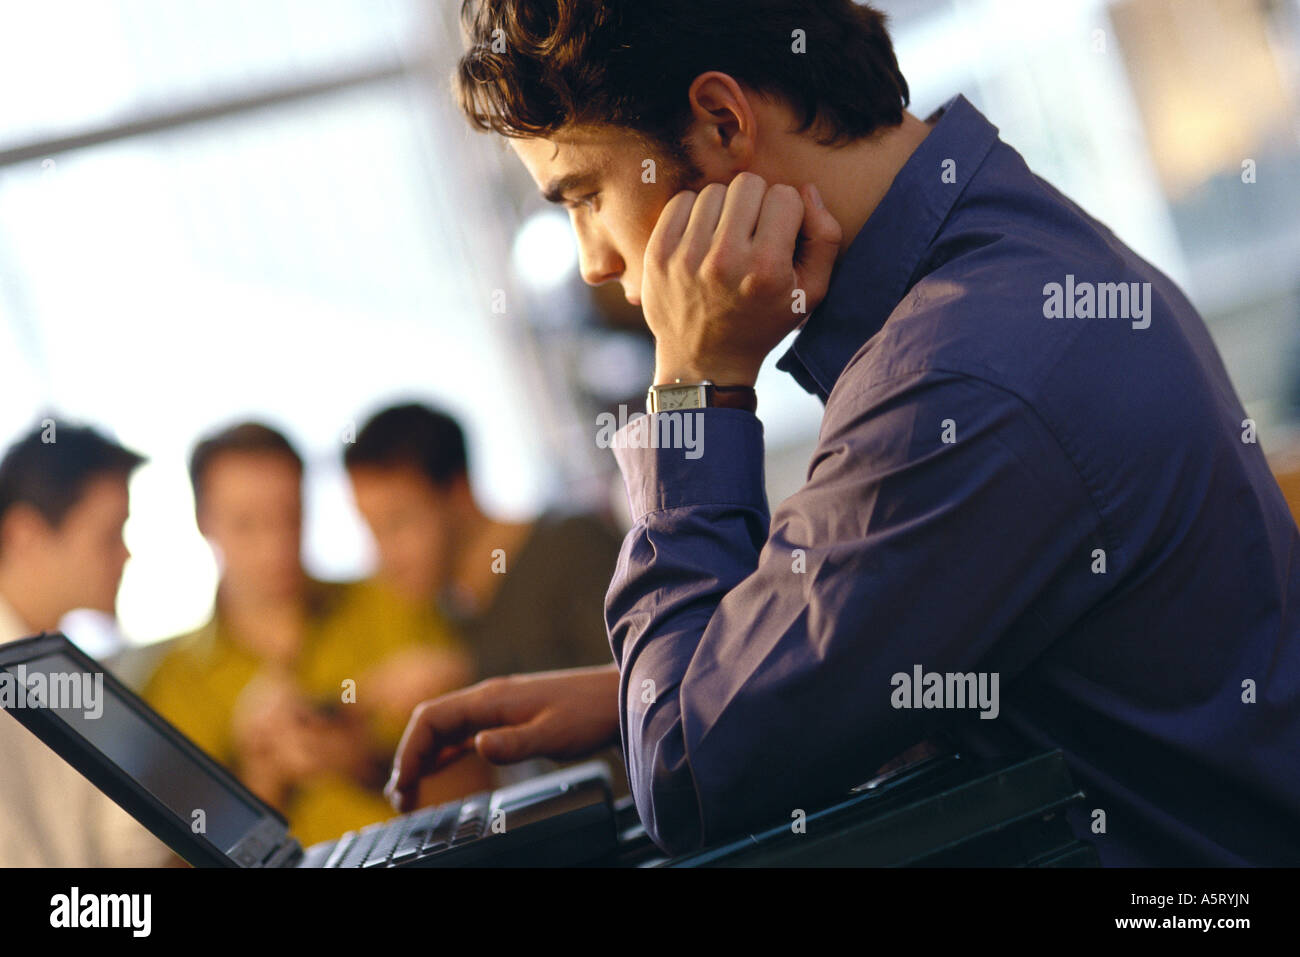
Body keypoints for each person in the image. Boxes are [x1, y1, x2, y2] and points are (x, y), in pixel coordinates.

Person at [388, 0, 1300, 866]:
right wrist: (670, 685)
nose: (593, 260)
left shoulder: (947, 380)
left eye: (584, 194)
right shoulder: (1004, 250)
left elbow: (686, 777)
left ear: (722, 123)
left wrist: (693, 386)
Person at [142, 422, 485, 847]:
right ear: (203, 521)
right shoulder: (172, 687)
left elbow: (485, 792)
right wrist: (263, 776)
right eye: (246, 524)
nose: (277, 545)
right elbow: (190, 860)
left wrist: (364, 761)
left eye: (291, 515)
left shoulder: (393, 604)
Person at [344, 403, 628, 790]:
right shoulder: (454, 609)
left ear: (458, 492)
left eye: (398, 523)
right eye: (372, 530)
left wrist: (466, 671)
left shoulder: (570, 545)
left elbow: (640, 684)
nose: (384, 557)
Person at [0, 420, 173, 866]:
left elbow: (131, 849)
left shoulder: (78, 679)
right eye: (110, 534)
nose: (126, 554)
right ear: (26, 537)